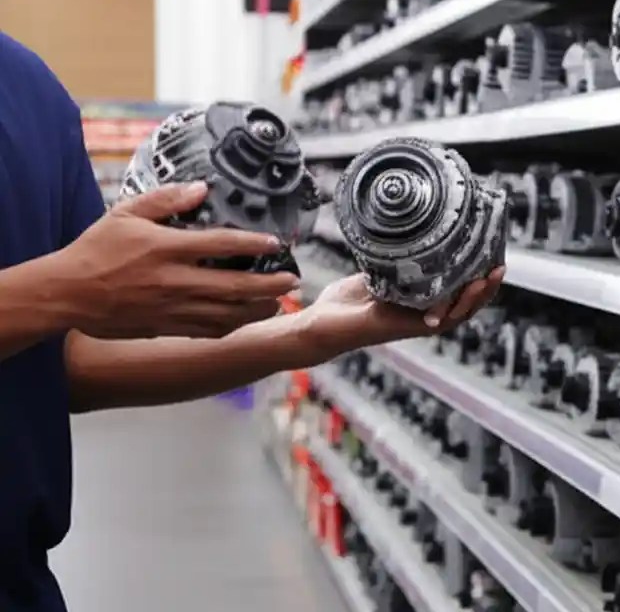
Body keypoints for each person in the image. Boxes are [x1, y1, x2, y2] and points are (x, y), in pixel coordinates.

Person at [0, 31, 504, 612]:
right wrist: (69, 286)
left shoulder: (31, 88)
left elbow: (64, 364)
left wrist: (306, 334)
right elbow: (63, 300)